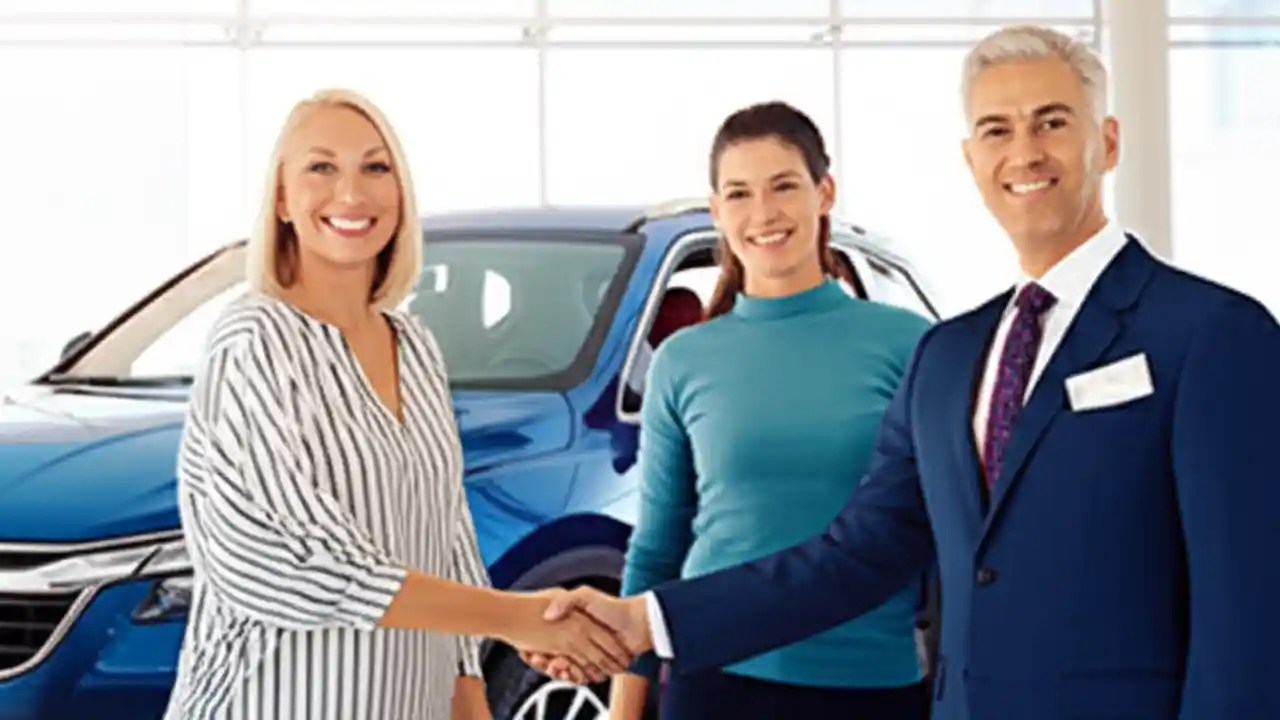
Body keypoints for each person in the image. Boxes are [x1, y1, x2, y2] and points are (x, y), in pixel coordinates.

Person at [531, 25, 1280, 719]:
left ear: (1107, 142)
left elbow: (1247, 612)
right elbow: (854, 555)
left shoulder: (1211, 335)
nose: (1024, 152)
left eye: (1052, 122)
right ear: (971, 160)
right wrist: (641, 619)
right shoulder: (950, 357)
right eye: (997, 130)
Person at [164, 88, 629, 720]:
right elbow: (283, 559)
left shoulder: (413, 344)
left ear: (401, 193)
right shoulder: (255, 339)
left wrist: (469, 687)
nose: (351, 194)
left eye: (375, 167)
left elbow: (446, 533)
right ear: (280, 197)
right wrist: (518, 617)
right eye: (321, 167)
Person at [567, 101, 934, 720]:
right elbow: (658, 547)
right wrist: (627, 709)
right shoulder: (683, 360)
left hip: (870, 685)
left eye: (783, 186)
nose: (762, 213)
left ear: (825, 193)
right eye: (738, 194)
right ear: (716, 211)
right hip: (715, 682)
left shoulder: (909, 344)